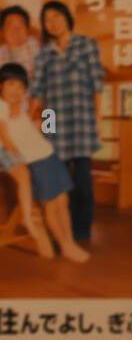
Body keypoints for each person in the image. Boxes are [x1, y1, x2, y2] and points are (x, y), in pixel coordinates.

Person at [29, 0, 104, 246]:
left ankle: (82, 232)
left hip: (81, 121)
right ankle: (65, 231)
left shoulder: (86, 45)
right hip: (52, 121)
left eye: (56, 16)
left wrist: (98, 119)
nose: (53, 22)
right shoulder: (44, 54)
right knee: (59, 182)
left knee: (83, 182)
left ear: (66, 16)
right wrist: (33, 127)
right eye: (47, 19)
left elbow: (96, 86)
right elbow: (39, 94)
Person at [0, 63, 87, 262]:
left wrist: (43, 120)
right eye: (11, 84)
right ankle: (65, 246)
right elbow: (7, 141)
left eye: (21, 87)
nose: (16, 90)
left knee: (63, 203)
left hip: (50, 156)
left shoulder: (24, 108)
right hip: (37, 163)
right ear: (1, 86)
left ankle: (70, 242)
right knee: (51, 208)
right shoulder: (2, 109)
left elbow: (44, 132)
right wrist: (20, 158)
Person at [0, 4, 44, 249]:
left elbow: (47, 93)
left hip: (35, 121)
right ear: (3, 31)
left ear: (28, 30)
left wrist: (46, 127)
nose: (16, 30)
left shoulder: (36, 49)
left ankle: (30, 216)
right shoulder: (0, 54)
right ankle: (18, 217)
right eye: (10, 25)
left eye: (21, 25)